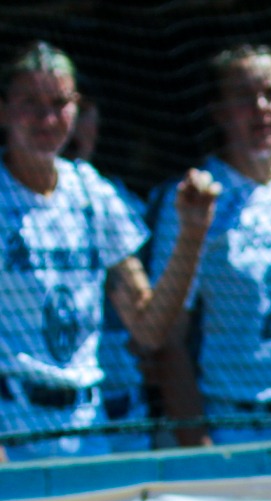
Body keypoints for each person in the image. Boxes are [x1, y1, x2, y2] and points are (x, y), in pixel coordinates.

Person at [0, 42, 217, 459]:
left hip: (89, 429)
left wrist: (192, 234)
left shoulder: (92, 193)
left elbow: (149, 329)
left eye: (60, 103)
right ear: (3, 110)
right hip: (12, 426)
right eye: (30, 103)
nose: (47, 118)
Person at [150, 44, 271, 446]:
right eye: (243, 96)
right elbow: (169, 337)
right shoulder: (194, 199)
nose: (261, 109)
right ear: (219, 111)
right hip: (238, 426)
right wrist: (196, 442)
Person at [60, 95, 158, 452]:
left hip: (121, 408)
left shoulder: (119, 202)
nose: (70, 123)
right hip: (35, 412)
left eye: (83, 111)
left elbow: (152, 325)